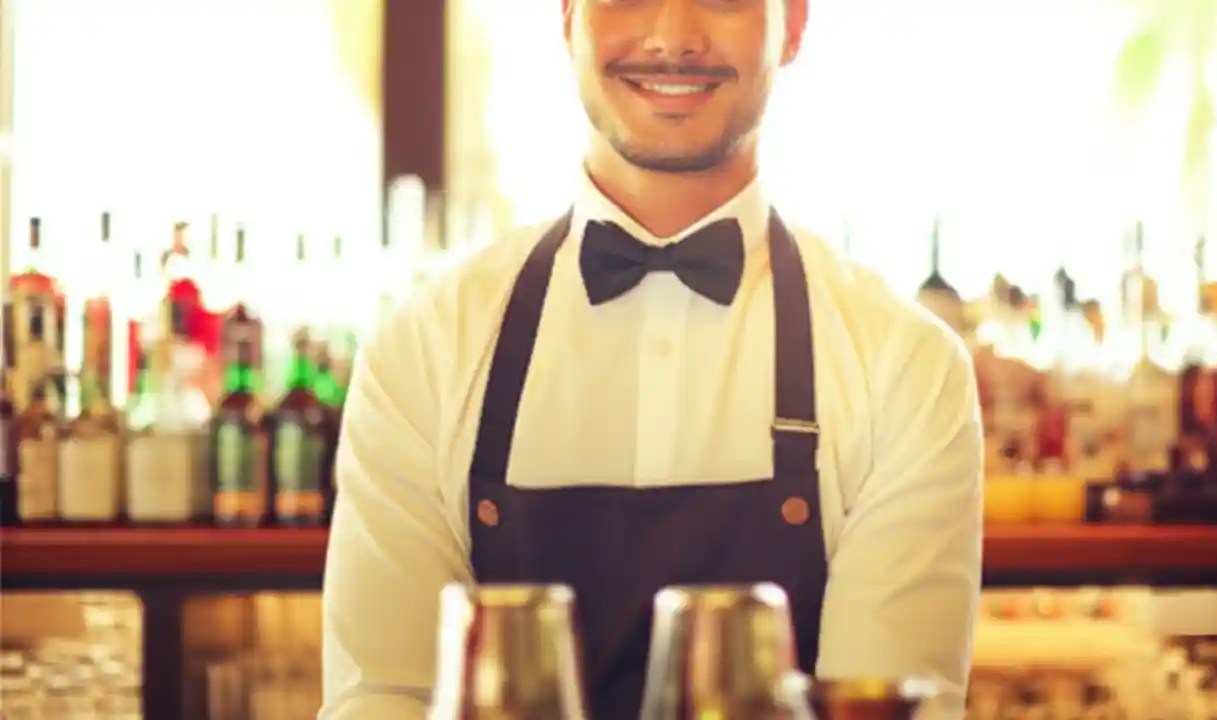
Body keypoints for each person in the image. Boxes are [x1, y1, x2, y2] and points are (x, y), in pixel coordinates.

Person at [320, 0, 983, 718]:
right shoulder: (423, 351)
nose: (673, 37)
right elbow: (383, 697)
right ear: (567, 16)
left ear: (792, 24)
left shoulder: (906, 369)